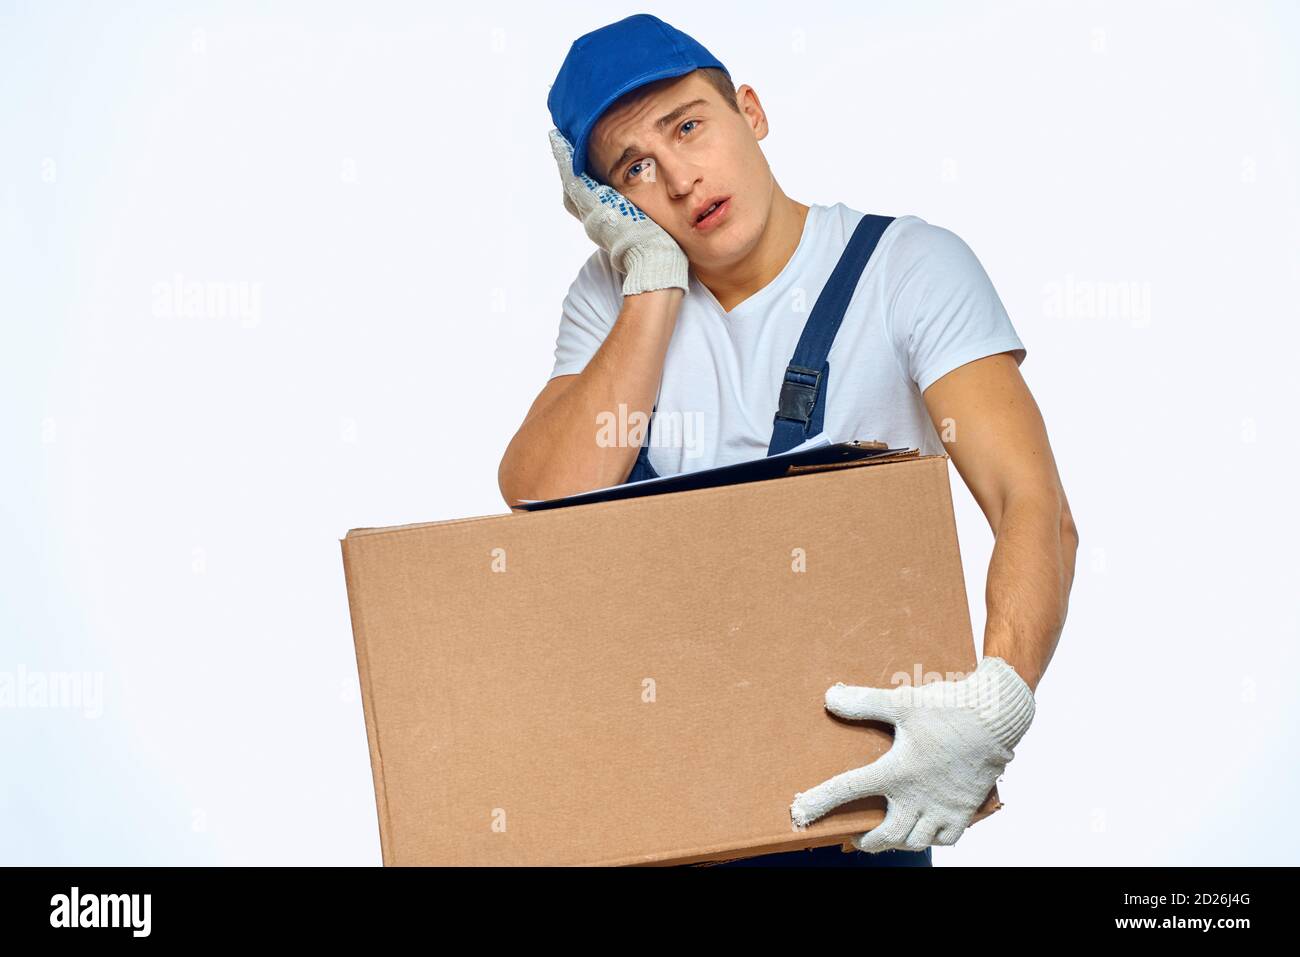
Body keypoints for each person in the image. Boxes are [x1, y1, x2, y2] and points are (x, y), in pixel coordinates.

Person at [498, 14, 1078, 867]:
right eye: (637, 169)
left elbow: (1032, 505)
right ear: (612, 205)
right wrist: (652, 282)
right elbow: (541, 493)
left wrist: (998, 699)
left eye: (689, 125)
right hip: (661, 812)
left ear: (751, 111)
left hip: (856, 813)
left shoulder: (905, 267)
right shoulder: (614, 297)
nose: (682, 178)